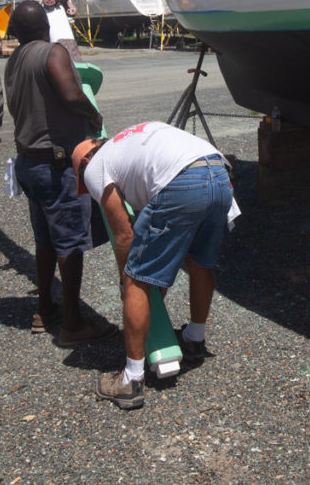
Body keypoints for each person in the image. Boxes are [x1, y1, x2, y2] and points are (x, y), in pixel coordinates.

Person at [71, 122, 236, 410]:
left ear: (85, 162)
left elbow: (124, 234)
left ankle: (131, 380)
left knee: (135, 278)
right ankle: (194, 340)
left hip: (181, 180)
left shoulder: (95, 166)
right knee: (199, 263)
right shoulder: (128, 141)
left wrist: (130, 278)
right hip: (218, 172)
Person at [4, 0, 116, 346]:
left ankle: (44, 310)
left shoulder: (13, 62)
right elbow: (70, 94)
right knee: (69, 244)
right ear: (46, 28)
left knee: (45, 242)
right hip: (56, 164)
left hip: (29, 164)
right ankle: (72, 322)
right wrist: (92, 115)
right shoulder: (52, 53)